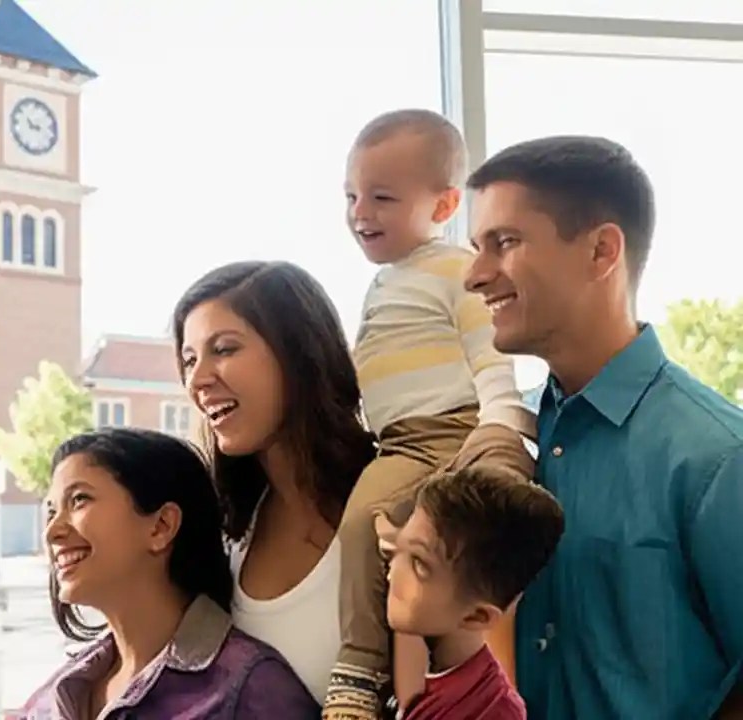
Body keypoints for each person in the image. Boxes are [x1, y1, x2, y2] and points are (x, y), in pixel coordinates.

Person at [464, 135, 743, 719]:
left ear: (601, 252)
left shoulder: (718, 458)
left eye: (504, 243)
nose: (474, 275)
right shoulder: (506, 442)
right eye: (474, 247)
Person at [330, 108, 537, 718]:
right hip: (395, 441)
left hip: (448, 433)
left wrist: (501, 422)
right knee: (404, 565)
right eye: (351, 196)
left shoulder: (452, 270)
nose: (360, 212)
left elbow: (487, 352)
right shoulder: (386, 283)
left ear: (444, 207)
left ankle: (356, 671)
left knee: (364, 525)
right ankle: (411, 693)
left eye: (382, 197)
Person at [173, 260, 379, 706]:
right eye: (189, 360)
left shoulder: (394, 503)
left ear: (299, 352)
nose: (198, 379)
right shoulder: (226, 528)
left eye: (224, 349)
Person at [20, 428, 317, 718]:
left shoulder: (252, 691)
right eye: (50, 511)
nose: (52, 532)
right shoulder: (59, 694)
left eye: (79, 500)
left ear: (161, 526)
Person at [381, 465, 563, 720]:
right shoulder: (424, 677)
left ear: (477, 616)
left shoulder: (489, 712)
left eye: (419, 565)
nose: (393, 570)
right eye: (394, 552)